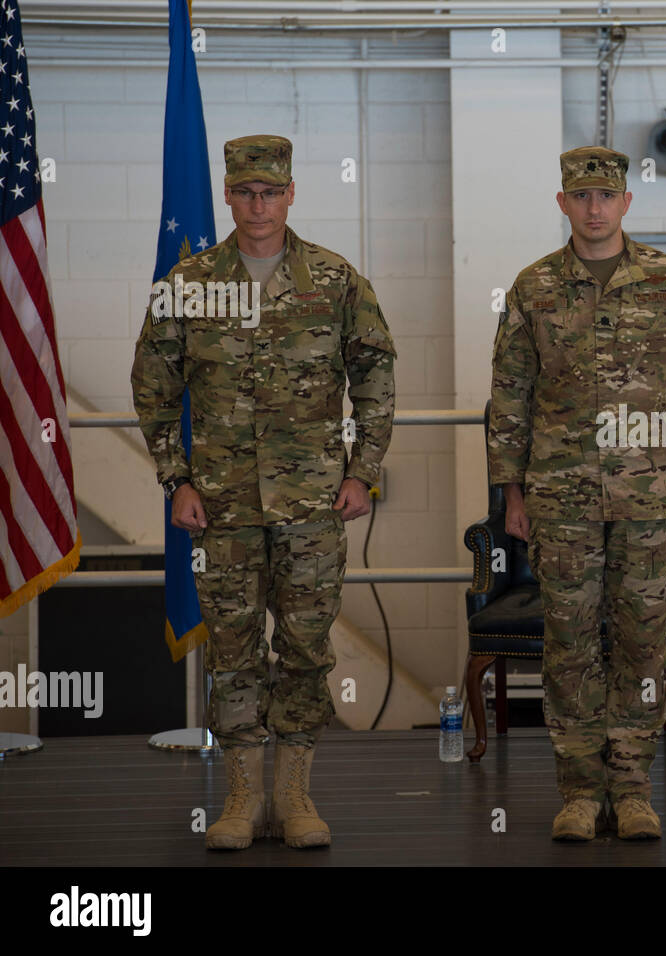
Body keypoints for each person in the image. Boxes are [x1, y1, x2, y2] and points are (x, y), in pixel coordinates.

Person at [131, 134, 397, 847]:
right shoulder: (189, 283)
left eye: (270, 191)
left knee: (308, 649)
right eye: (245, 191)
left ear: (289, 194)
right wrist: (175, 479)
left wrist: (363, 469)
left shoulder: (335, 281)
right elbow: (153, 388)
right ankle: (242, 800)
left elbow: (375, 376)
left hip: (314, 502)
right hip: (221, 508)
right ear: (227, 193)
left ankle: (295, 797)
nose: (258, 204)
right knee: (234, 648)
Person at [488, 146, 666, 840]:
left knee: (643, 640)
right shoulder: (533, 288)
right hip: (560, 496)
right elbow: (509, 398)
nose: (594, 209)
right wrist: (512, 493)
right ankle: (580, 791)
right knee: (568, 641)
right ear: (563, 203)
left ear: (625, 203)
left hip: (649, 496)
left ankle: (634, 784)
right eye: (581, 197)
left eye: (605, 197)